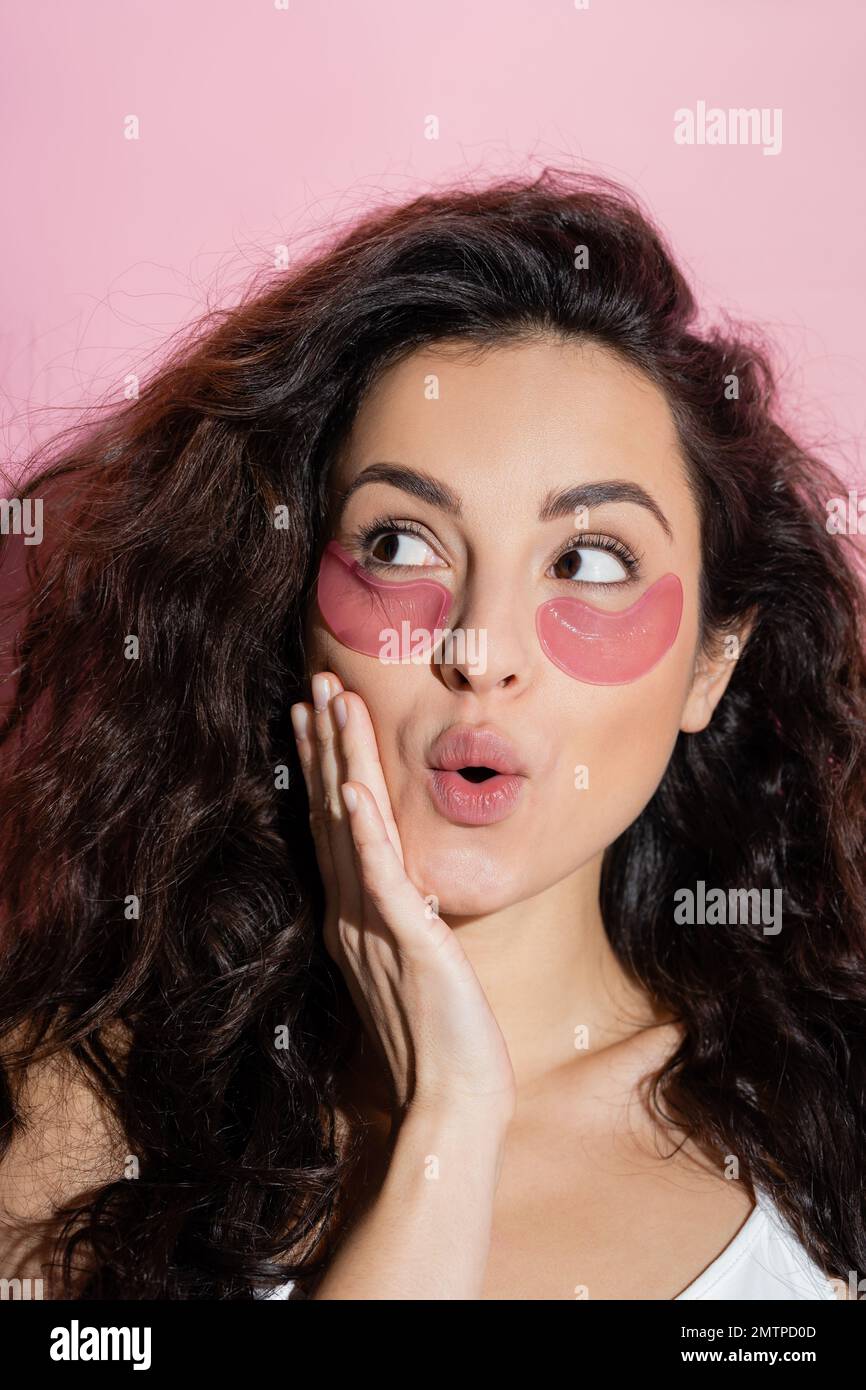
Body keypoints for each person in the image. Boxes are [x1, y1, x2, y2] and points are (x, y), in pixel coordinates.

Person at [0, 168, 863, 1300]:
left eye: (589, 560)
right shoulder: (76, 1123)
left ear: (713, 660)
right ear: (295, 605)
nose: (476, 647)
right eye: (402, 543)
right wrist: (449, 1124)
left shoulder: (830, 1131)